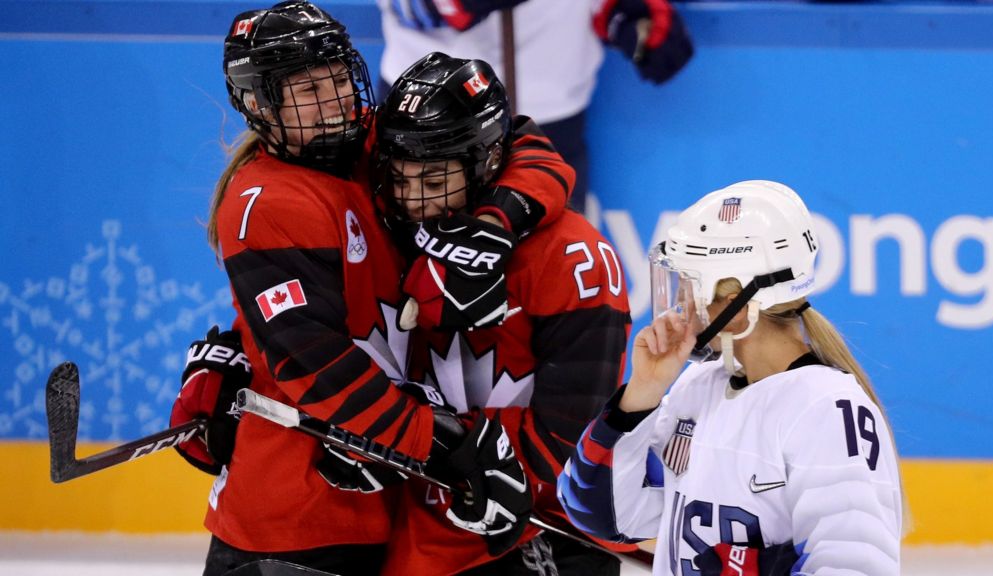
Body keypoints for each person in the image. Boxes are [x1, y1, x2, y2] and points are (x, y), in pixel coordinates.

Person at [166, 2, 575, 574]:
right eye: (307, 88)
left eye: (336, 77)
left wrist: (496, 220)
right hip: (287, 525)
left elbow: (524, 147)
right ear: (258, 104)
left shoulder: (370, 145)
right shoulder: (268, 201)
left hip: (379, 510)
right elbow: (317, 367)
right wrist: (443, 442)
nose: (333, 100)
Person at [372, 52, 634, 575]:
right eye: (402, 181)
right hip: (422, 531)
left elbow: (575, 433)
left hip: (535, 535)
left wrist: (500, 486)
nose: (413, 202)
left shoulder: (574, 257)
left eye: (431, 182)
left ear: (488, 161)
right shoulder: (388, 234)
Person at [557, 181, 904, 575]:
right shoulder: (697, 389)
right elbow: (600, 515)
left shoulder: (827, 410)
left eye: (690, 285)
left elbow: (856, 564)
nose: (681, 303)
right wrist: (642, 393)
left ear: (738, 305)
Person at [377, 0, 694, 213]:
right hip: (432, 118)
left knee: (554, 275)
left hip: (554, 116)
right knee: (421, 276)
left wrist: (626, 12)